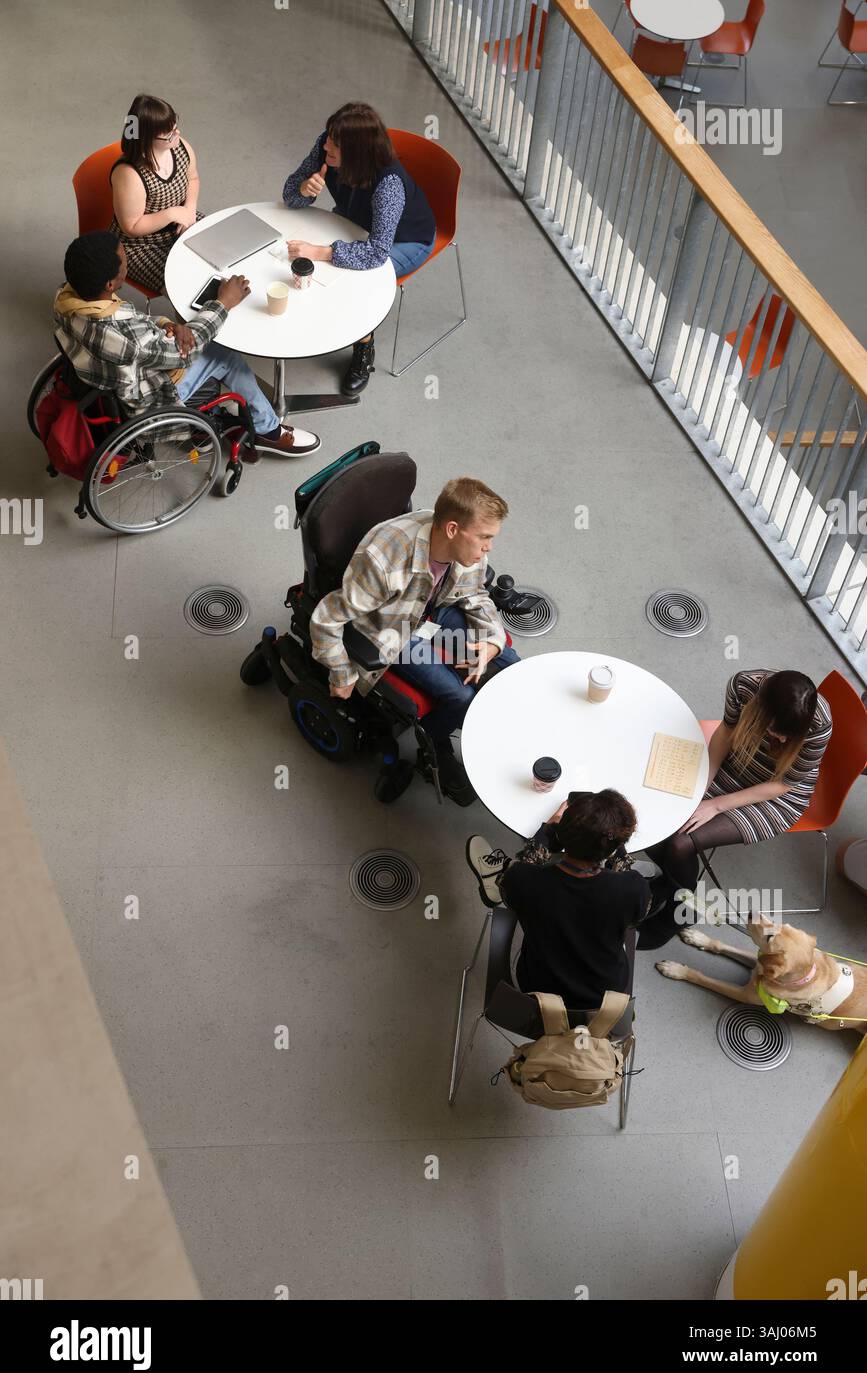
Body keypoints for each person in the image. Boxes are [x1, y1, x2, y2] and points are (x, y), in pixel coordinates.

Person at [308, 477, 520, 804]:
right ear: (452, 529)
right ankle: (434, 746)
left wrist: (491, 641)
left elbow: (476, 594)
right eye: (484, 537)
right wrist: (341, 672)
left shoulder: (468, 552)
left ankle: (514, 732)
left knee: (509, 664)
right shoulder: (384, 559)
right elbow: (326, 617)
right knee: (461, 697)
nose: (489, 547)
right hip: (394, 631)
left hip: (434, 610)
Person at [54, 231, 320, 457]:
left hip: (107, 373)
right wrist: (223, 303)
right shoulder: (128, 338)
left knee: (189, 335)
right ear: (110, 283)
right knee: (225, 355)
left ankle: (205, 427)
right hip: (149, 399)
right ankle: (268, 430)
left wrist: (161, 325)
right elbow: (184, 353)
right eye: (124, 261)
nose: (128, 263)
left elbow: (133, 326)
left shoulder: (66, 298)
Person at [644, 669, 833, 935]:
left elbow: (783, 784)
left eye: (786, 736)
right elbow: (724, 734)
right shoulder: (743, 685)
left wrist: (716, 804)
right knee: (657, 822)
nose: (779, 739)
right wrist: (702, 784)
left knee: (679, 842)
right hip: (737, 762)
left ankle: (680, 912)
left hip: (775, 794)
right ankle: (672, 885)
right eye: (773, 730)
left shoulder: (818, 724)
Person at [282, 102, 436, 395]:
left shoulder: (389, 185)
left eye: (335, 144)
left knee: (356, 276)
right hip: (355, 221)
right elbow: (289, 195)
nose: (325, 145)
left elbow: (377, 252)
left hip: (406, 240)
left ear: (355, 153)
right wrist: (304, 189)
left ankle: (363, 349)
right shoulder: (325, 146)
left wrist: (321, 252)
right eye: (328, 137)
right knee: (318, 254)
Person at [466, 790, 663, 1011]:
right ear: (613, 847)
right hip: (604, 1003)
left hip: (537, 996)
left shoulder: (523, 880)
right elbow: (640, 913)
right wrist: (617, 851)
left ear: (561, 835)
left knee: (512, 887)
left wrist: (545, 833)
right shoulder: (632, 889)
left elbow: (515, 877)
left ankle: (490, 875)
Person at [109, 94, 202, 296]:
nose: (176, 134)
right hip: (140, 245)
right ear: (146, 138)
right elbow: (131, 227)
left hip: (179, 221)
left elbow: (193, 179)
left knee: (220, 252)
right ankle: (190, 326)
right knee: (185, 288)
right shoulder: (129, 174)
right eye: (169, 134)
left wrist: (189, 210)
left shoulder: (181, 147)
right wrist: (172, 214)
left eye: (175, 127)